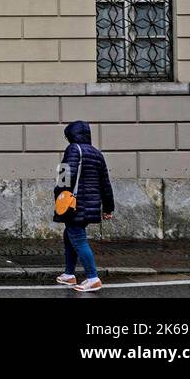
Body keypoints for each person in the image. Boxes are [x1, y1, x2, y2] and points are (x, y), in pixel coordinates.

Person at [54, 120, 114, 293]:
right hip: (90, 205)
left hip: (75, 204)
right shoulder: (97, 153)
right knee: (70, 235)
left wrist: (58, 192)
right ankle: (69, 274)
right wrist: (108, 207)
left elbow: (65, 175)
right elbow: (105, 184)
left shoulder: (73, 149)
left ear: (72, 135)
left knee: (78, 239)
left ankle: (93, 278)